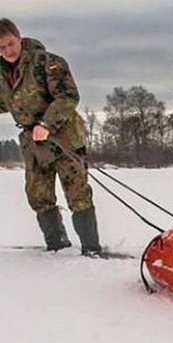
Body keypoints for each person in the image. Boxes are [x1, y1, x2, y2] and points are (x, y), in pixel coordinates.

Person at [0, 18, 102, 256]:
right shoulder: (2, 73)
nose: (7, 51)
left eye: (10, 44)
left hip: (63, 136)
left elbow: (68, 96)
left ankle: (91, 249)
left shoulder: (47, 62)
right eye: (1, 48)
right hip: (32, 143)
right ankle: (56, 246)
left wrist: (47, 123)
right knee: (38, 195)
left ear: (19, 37)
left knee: (77, 193)